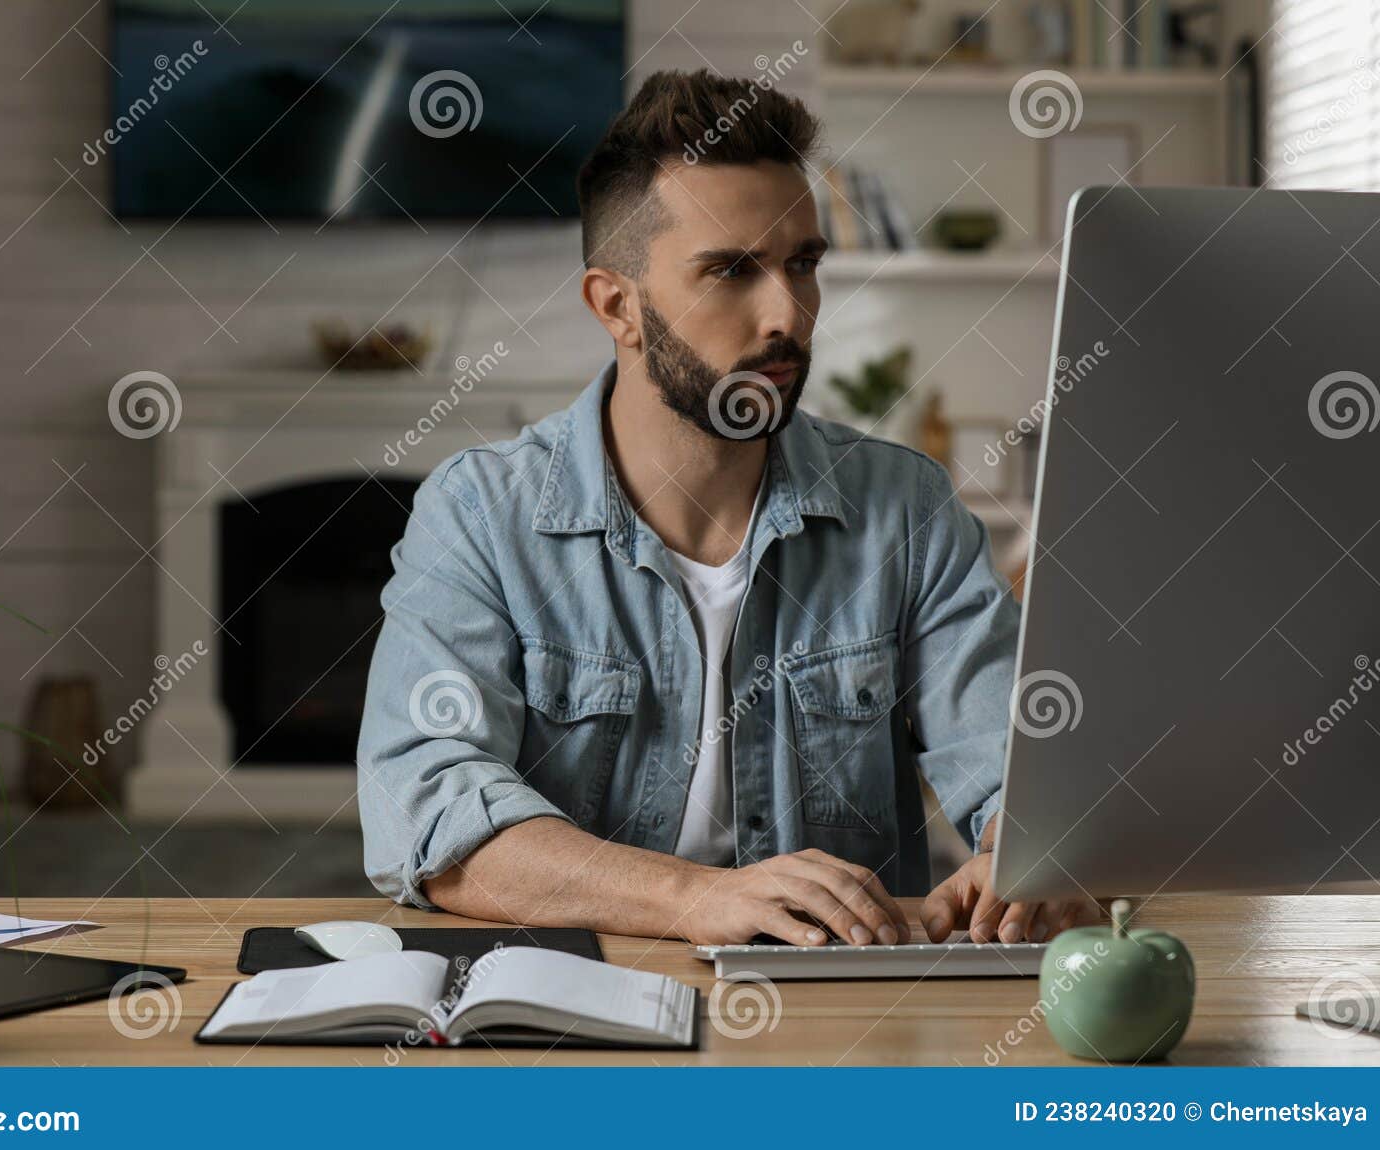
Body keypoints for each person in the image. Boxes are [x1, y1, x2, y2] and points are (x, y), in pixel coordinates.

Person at [357, 69, 1092, 946]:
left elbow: (1023, 766)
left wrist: (1028, 859)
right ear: (617, 305)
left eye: (804, 264)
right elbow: (428, 809)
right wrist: (693, 897)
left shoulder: (905, 509)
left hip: (838, 1022)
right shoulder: (480, 514)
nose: (788, 312)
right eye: (732, 271)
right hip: (575, 1009)